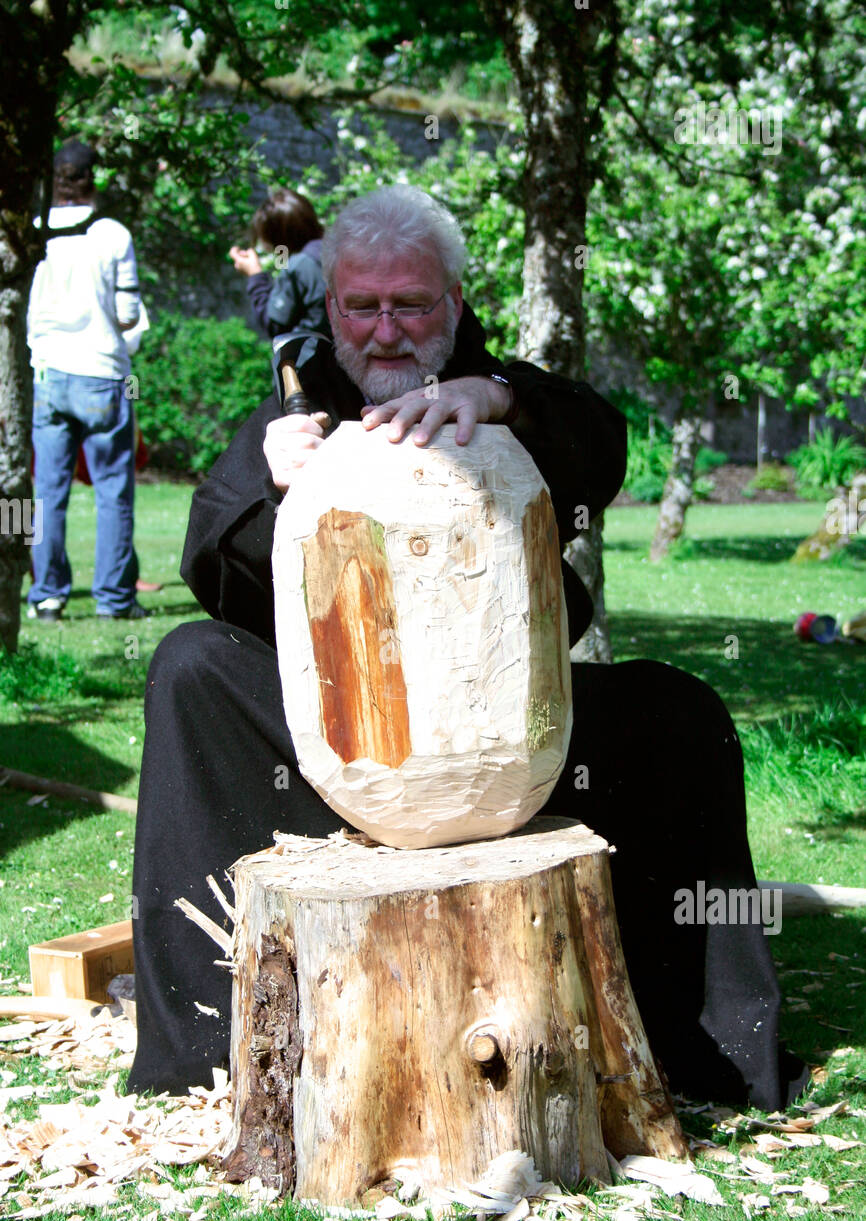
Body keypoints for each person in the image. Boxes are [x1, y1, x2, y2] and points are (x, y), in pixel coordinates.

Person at [127, 186, 808, 1113]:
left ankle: (706, 1048)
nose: (386, 332)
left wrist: (502, 404)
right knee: (191, 666)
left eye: (410, 305)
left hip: (513, 749)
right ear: (332, 310)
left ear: (452, 302)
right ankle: (206, 1048)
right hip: (347, 748)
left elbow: (601, 448)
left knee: (678, 712)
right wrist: (265, 474)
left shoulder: (499, 386)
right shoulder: (301, 404)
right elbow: (211, 564)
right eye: (361, 308)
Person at [27, 139, 148, 621]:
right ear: (92, 179)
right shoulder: (112, 234)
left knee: (46, 493)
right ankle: (114, 599)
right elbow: (127, 314)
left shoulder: (32, 230)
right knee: (112, 492)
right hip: (101, 372)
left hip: (46, 373)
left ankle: (48, 595)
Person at [229, 189, 329, 364]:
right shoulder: (328, 249)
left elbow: (274, 324)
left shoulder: (299, 266)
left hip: (312, 365)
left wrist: (255, 275)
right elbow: (284, 260)